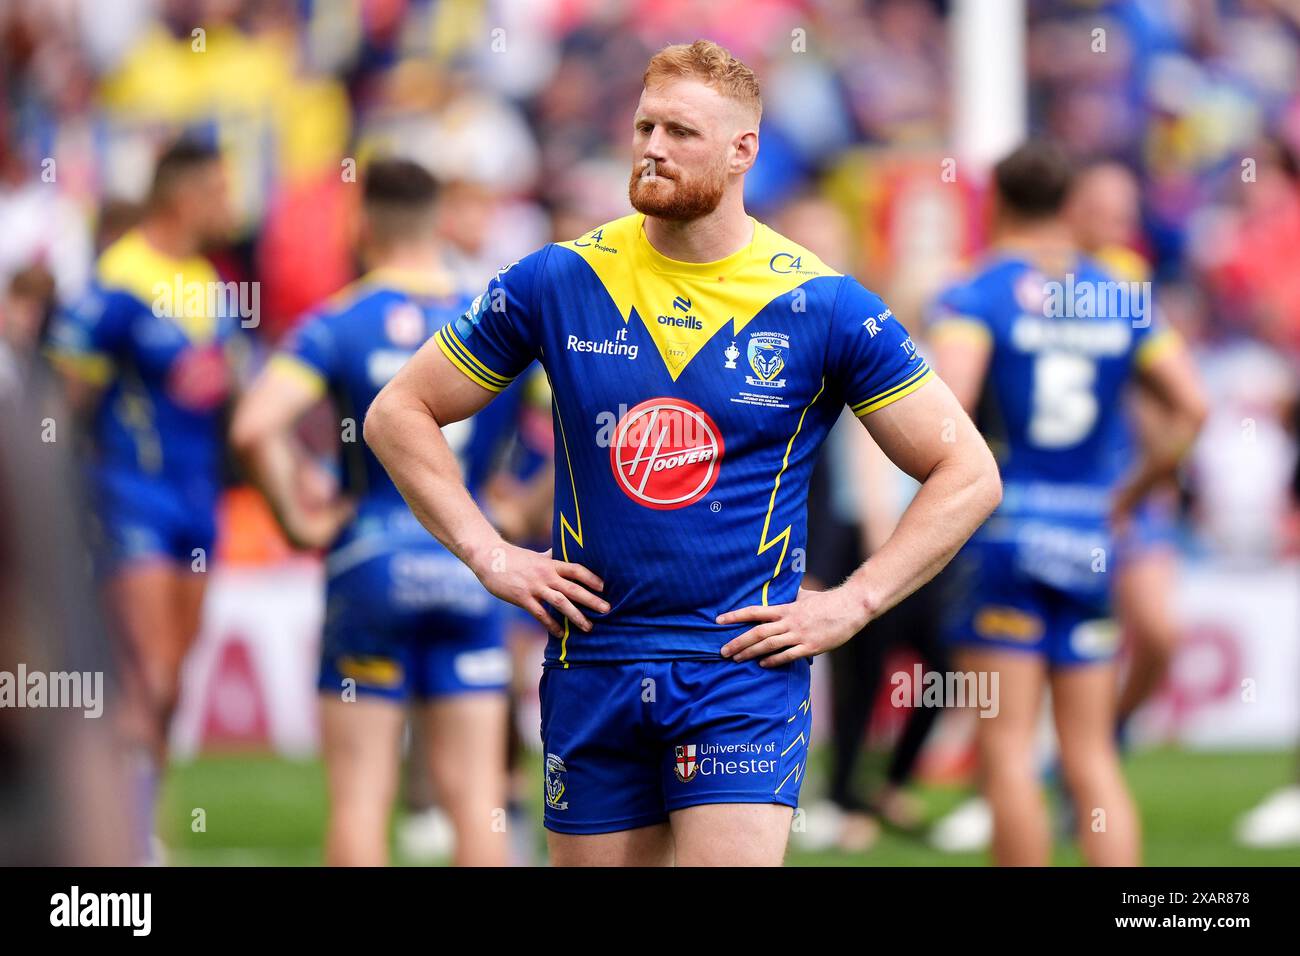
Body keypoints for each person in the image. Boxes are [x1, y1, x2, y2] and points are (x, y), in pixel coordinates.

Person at [365, 39, 1001, 867]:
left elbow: (968, 471)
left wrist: (855, 601)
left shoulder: (821, 303)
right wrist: (488, 553)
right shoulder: (556, 280)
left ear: (744, 152)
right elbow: (398, 412)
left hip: (739, 669)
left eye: (681, 133)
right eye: (644, 127)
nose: (653, 148)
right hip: (591, 660)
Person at [928, 142, 1207, 866]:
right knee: (1091, 753)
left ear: (997, 202)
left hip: (1005, 533)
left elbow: (947, 408)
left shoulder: (975, 291)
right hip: (1091, 533)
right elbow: (1194, 409)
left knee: (1008, 749)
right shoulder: (1119, 293)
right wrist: (1131, 495)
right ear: (1069, 205)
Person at [231, 159, 513, 866]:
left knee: (361, 796)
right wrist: (520, 504)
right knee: (478, 796)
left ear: (363, 225)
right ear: (439, 220)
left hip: (371, 560)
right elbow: (567, 423)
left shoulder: (340, 320)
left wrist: (298, 520)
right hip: (471, 563)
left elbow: (254, 426)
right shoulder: (492, 317)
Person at [46, 139, 239, 862]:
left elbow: (227, 403)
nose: (232, 205)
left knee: (172, 682)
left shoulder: (213, 285)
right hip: (130, 498)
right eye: (220, 189)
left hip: (200, 502)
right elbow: (64, 401)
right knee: (146, 673)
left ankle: (136, 825)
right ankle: (117, 843)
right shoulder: (118, 279)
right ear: (183, 195)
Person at [1065, 161, 1181, 738]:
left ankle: (1107, 737)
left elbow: (1163, 395)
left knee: (1157, 633)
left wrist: (1152, 476)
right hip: (1061, 491)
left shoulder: (1125, 283)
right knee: (1035, 650)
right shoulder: (1041, 278)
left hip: (1127, 487)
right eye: (1103, 205)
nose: (1116, 219)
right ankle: (1006, 783)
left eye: (1124, 208)